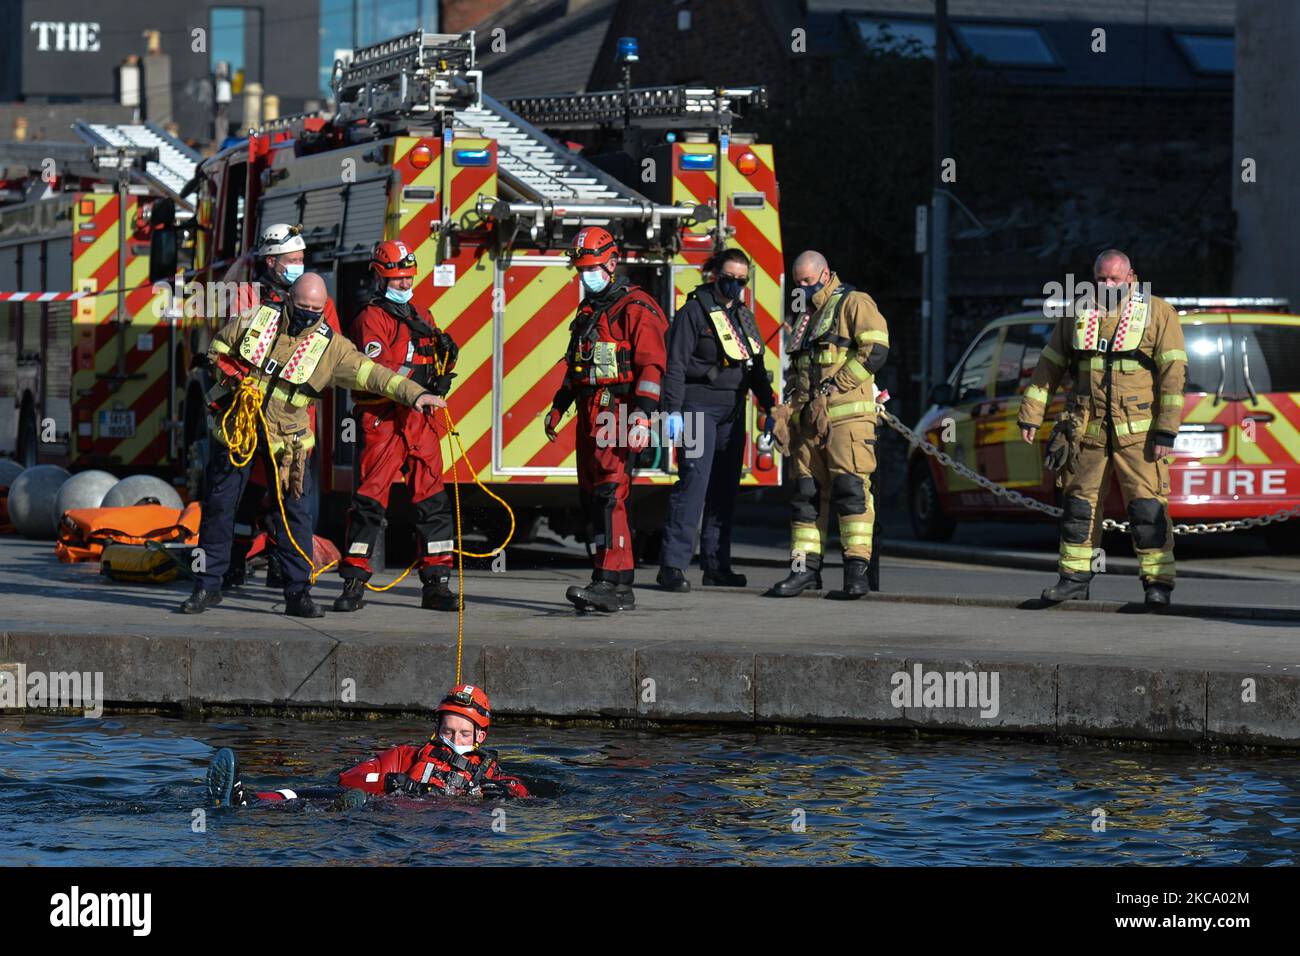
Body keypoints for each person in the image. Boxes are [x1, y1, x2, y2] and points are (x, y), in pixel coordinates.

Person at [180, 272, 443, 617]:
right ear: (288, 299)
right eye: (302, 306)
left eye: (316, 309)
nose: (308, 314)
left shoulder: (332, 347)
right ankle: (206, 587)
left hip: (288, 445)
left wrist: (416, 394)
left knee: (294, 519)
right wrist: (232, 377)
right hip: (239, 433)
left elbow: (373, 374)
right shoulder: (256, 318)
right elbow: (218, 349)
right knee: (219, 508)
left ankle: (298, 593)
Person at [1018, 249, 1186, 606]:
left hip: (1139, 435)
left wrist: (1166, 431)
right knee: (1079, 507)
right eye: (1101, 278)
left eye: (1114, 278)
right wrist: (1031, 413)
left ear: (1130, 277)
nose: (1107, 285)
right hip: (1087, 430)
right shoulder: (1078, 312)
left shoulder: (1158, 312)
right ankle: (1074, 579)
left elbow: (1173, 376)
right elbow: (1049, 367)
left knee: (1147, 509)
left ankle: (1157, 584)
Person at [543, 227, 668, 613]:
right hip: (588, 411)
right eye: (581, 270)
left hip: (619, 412)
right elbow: (578, 365)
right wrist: (559, 405)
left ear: (613, 263)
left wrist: (644, 419)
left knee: (611, 494)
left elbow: (652, 367)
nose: (586, 276)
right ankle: (617, 581)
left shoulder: (636, 308)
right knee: (595, 498)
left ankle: (607, 581)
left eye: (593, 268)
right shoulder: (589, 310)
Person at [334, 241, 460, 612]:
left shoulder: (423, 313)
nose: (404, 284)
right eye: (396, 278)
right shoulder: (370, 319)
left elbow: (429, 358)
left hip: (420, 422)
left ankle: (437, 584)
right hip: (384, 421)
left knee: (432, 500)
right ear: (378, 276)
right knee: (370, 501)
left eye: (407, 277)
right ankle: (354, 582)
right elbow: (378, 372)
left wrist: (441, 374)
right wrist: (418, 382)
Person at [222, 224, 341, 592]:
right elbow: (231, 350)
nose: (298, 266)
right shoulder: (245, 299)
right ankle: (232, 566)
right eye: (292, 260)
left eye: (302, 260)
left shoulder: (315, 298)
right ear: (271, 261)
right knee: (242, 500)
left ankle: (286, 574)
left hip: (292, 424)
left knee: (290, 501)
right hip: (249, 417)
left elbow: (330, 351)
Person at [768, 250, 890, 598]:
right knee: (805, 498)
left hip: (848, 422)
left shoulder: (855, 302)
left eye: (807, 282)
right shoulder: (807, 316)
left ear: (824, 275)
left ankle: (856, 573)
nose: (802, 289)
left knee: (851, 494)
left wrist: (836, 386)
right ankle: (804, 570)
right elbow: (801, 370)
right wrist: (787, 408)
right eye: (798, 283)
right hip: (809, 426)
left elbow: (877, 351)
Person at [657, 249, 776, 591]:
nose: (734, 285)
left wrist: (769, 405)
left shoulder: (743, 317)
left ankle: (716, 564)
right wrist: (673, 412)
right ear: (714, 275)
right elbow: (675, 366)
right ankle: (673, 567)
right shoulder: (693, 312)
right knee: (693, 484)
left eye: (742, 281)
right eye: (729, 278)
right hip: (697, 407)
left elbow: (754, 369)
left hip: (732, 411)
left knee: (724, 489)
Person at [205, 685, 529, 806]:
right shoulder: (407, 756)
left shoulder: (488, 772)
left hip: (428, 835)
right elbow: (348, 777)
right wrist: (389, 781)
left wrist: (506, 793)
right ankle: (249, 799)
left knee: (343, 805)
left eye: (463, 734)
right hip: (383, 811)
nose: (454, 740)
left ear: (479, 738)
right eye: (447, 731)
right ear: (436, 729)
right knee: (318, 794)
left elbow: (523, 793)